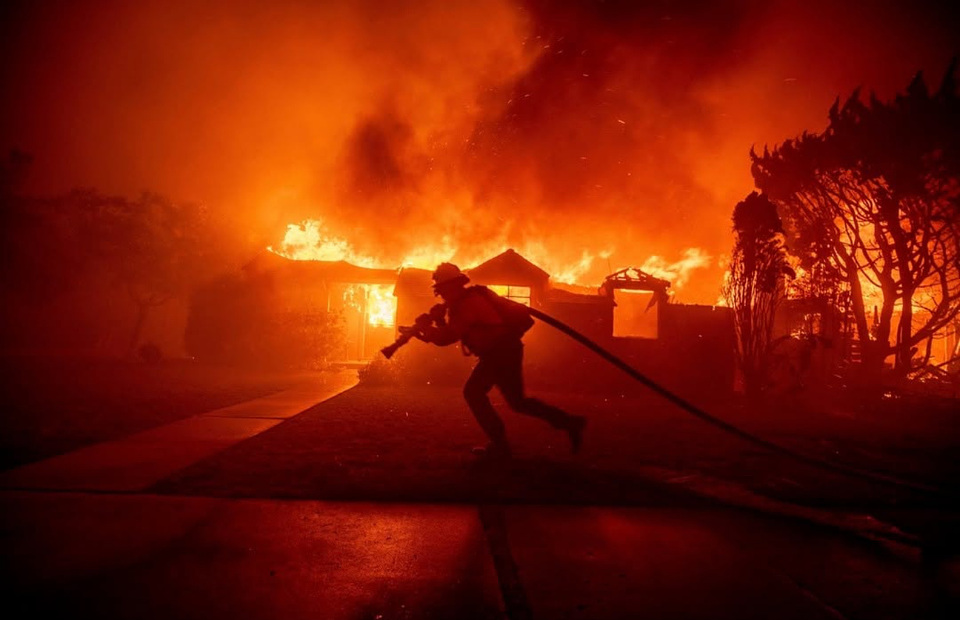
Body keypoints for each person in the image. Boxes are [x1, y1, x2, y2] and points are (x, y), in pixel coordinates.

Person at [414, 262, 586, 459]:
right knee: (517, 402)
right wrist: (438, 321)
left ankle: (500, 446)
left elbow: (447, 338)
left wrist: (426, 329)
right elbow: (452, 332)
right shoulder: (464, 301)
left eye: (442, 289)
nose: (441, 294)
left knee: (473, 393)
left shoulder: (468, 304)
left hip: (499, 352)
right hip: (504, 350)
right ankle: (570, 423)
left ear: (453, 285)